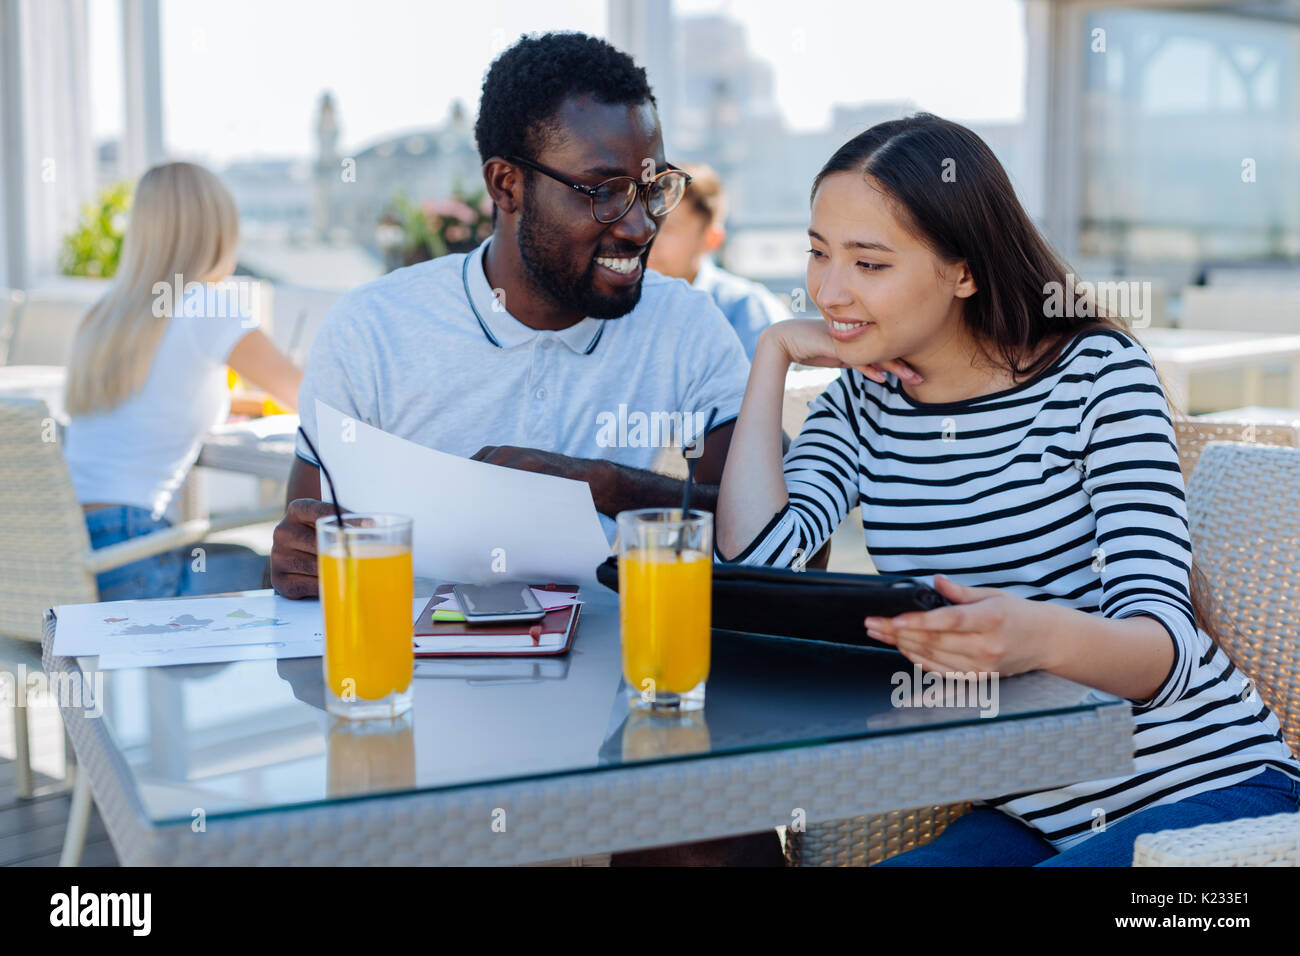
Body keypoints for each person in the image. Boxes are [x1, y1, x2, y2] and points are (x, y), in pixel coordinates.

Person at [715, 114, 1300, 866]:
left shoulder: (1097, 375)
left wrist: (1035, 636)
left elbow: (1166, 652)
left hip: (1205, 793)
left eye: (870, 264)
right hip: (1037, 809)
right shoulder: (864, 406)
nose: (828, 290)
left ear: (963, 270)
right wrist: (772, 357)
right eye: (819, 254)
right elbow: (762, 563)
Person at [271, 33, 763, 601]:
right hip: (419, 678)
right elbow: (303, 560)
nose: (640, 226)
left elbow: (777, 534)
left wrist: (599, 485)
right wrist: (293, 564)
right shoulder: (370, 331)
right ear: (507, 185)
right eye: (605, 191)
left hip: (627, 675)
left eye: (652, 190)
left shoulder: (685, 325)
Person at [63, 161, 302, 601]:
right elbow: (308, 395)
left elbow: (154, 398)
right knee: (298, 572)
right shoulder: (206, 305)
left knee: (236, 558)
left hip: (69, 556)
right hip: (136, 560)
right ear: (213, 234)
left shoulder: (104, 313)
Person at [646, 164, 789, 359]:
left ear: (711, 239)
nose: (649, 238)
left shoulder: (749, 312)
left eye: (668, 229)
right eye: (647, 222)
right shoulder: (622, 303)